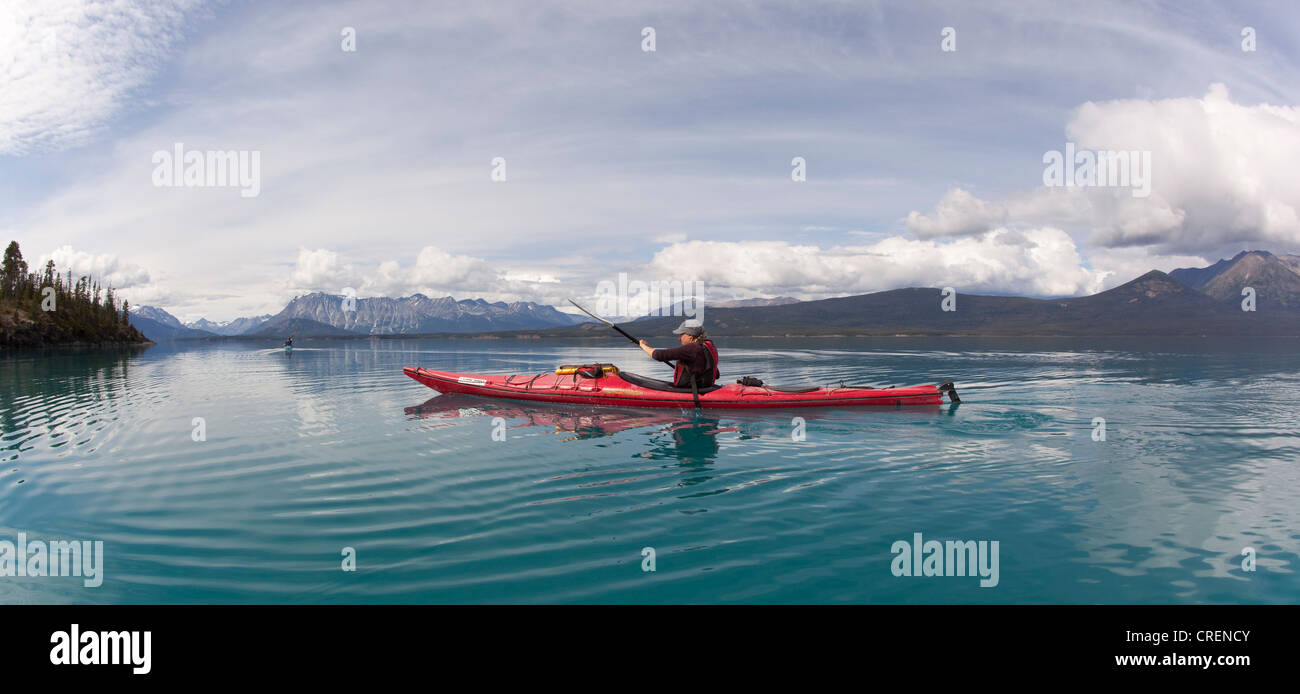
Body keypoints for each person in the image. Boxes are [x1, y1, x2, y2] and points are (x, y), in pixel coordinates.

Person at [638, 319, 719, 388]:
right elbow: (716, 374)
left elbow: (659, 355)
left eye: (681, 334)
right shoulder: (706, 346)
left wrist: (643, 346)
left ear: (690, 336)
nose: (679, 338)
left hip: (693, 392)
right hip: (704, 388)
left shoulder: (691, 349)